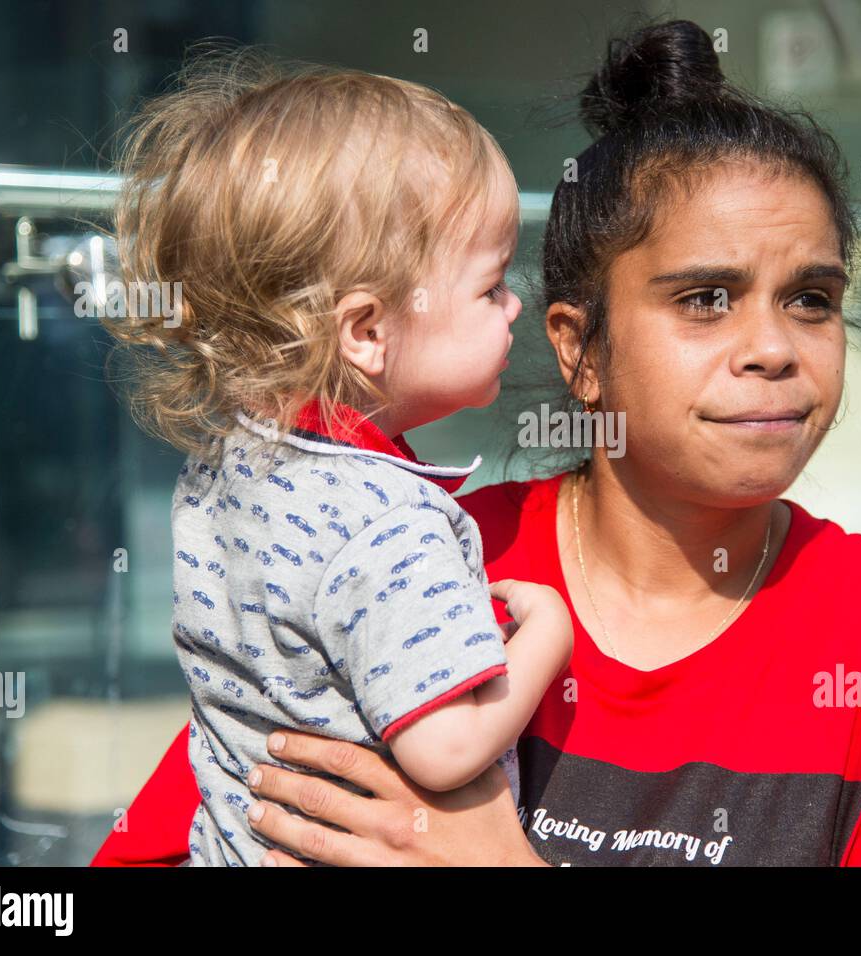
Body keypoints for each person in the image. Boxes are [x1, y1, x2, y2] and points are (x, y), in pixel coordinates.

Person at [94, 20, 861, 868]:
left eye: (813, 299)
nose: (773, 349)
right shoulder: (411, 565)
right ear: (577, 349)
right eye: (704, 299)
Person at [99, 47, 572, 865]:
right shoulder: (389, 521)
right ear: (366, 332)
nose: (516, 305)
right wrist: (548, 641)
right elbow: (445, 746)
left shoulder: (225, 463)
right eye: (491, 286)